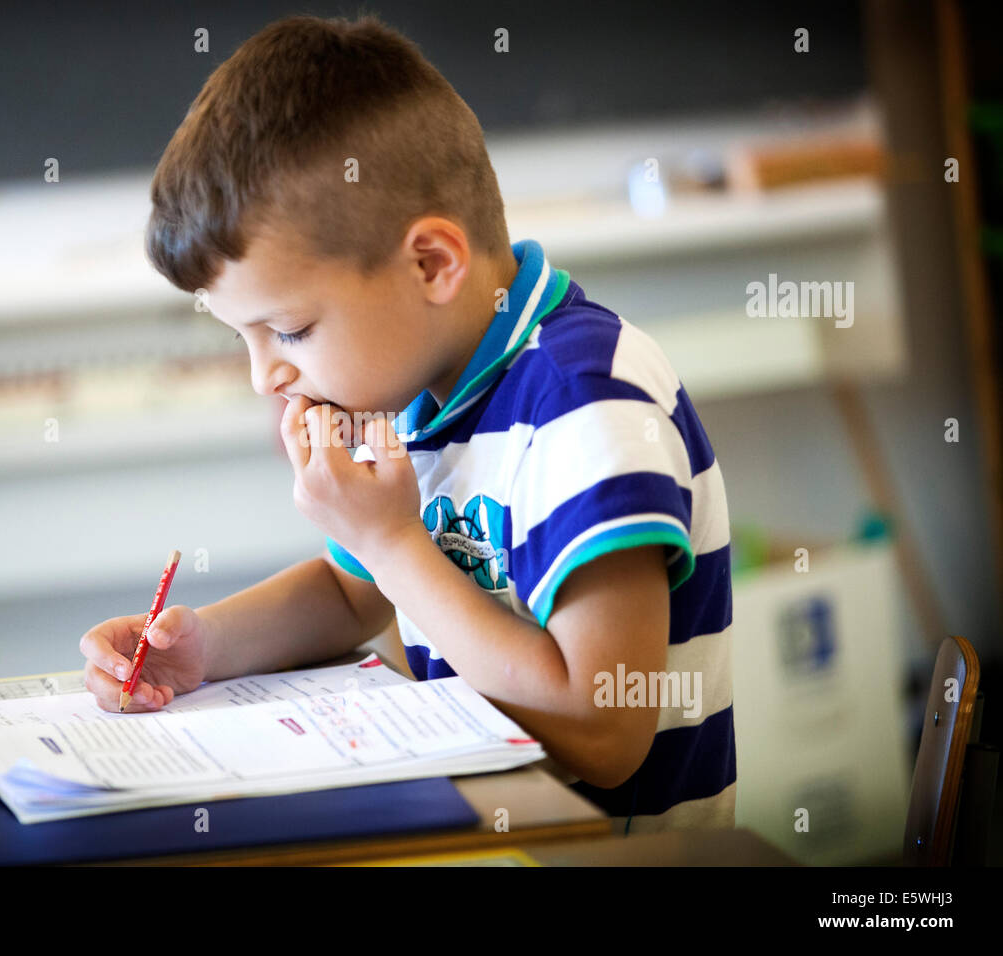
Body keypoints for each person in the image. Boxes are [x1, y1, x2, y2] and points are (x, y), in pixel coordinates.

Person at [79, 14, 734, 833]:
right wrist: (202, 647)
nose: (265, 377)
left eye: (289, 330)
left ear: (431, 264)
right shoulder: (419, 389)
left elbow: (603, 733)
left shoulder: (585, 402)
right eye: (243, 337)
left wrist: (394, 544)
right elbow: (354, 594)